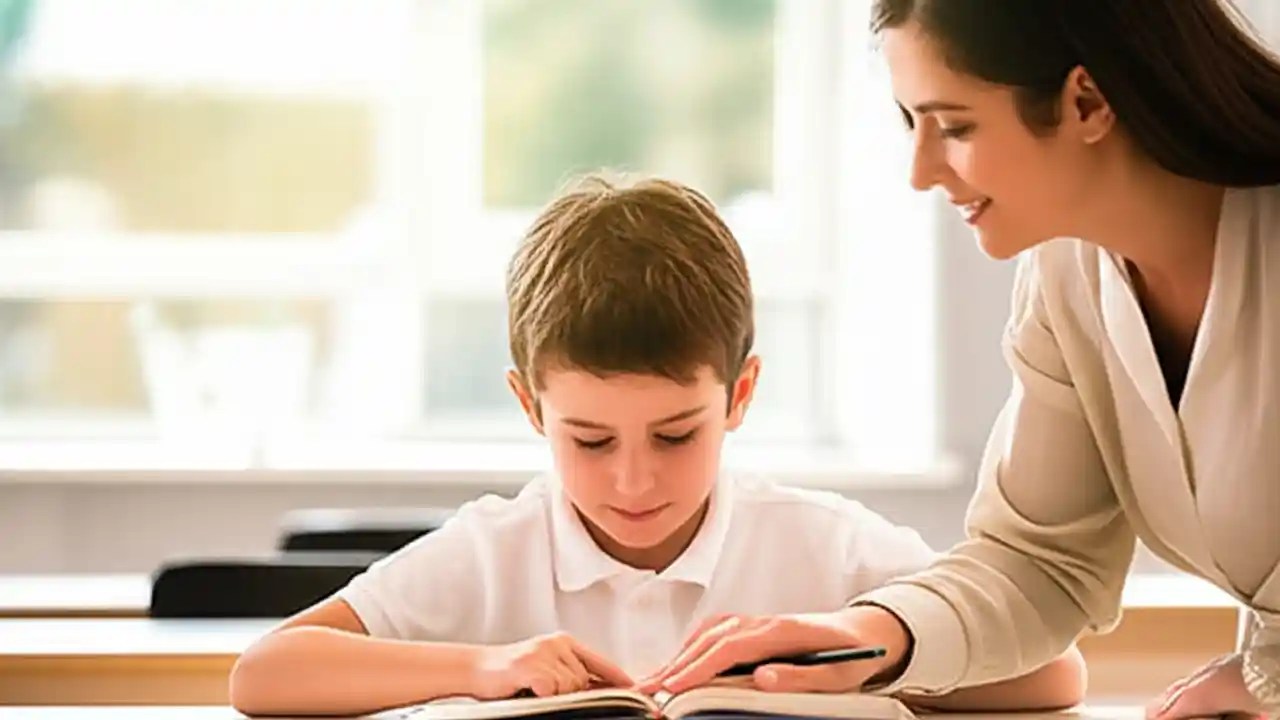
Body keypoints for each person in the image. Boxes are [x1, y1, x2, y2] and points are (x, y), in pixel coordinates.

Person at [227, 174, 1085, 717]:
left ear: (739, 396)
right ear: (530, 406)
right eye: (589, 439)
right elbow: (265, 675)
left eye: (677, 434)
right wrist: (482, 667)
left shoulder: (824, 542)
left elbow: (1055, 674)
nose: (633, 479)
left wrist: (852, 656)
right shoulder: (492, 551)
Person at [640, 2, 1280, 719]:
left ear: (1086, 101)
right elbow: (1041, 563)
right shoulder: (1067, 277)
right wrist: (862, 637)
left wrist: (1266, 682)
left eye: (956, 126)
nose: (920, 172)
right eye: (910, 123)